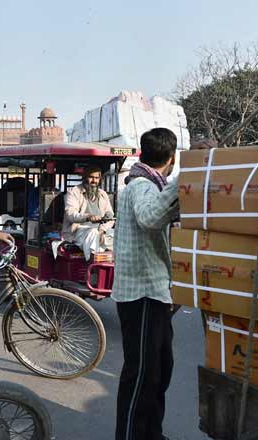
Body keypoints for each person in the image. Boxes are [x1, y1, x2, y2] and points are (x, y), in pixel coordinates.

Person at [113, 127, 180, 440]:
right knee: (141, 376)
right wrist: (186, 177)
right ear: (172, 157)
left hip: (154, 292)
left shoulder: (151, 183)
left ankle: (153, 434)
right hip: (140, 296)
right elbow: (152, 218)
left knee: (159, 371)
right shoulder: (142, 185)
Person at [62, 165, 115, 260]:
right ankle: (93, 267)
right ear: (84, 177)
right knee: (93, 234)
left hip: (100, 230)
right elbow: (70, 214)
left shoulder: (103, 194)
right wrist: (88, 217)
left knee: (118, 235)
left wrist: (102, 229)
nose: (94, 181)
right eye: (91, 177)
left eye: (96, 178)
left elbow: (110, 217)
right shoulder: (73, 192)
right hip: (78, 230)